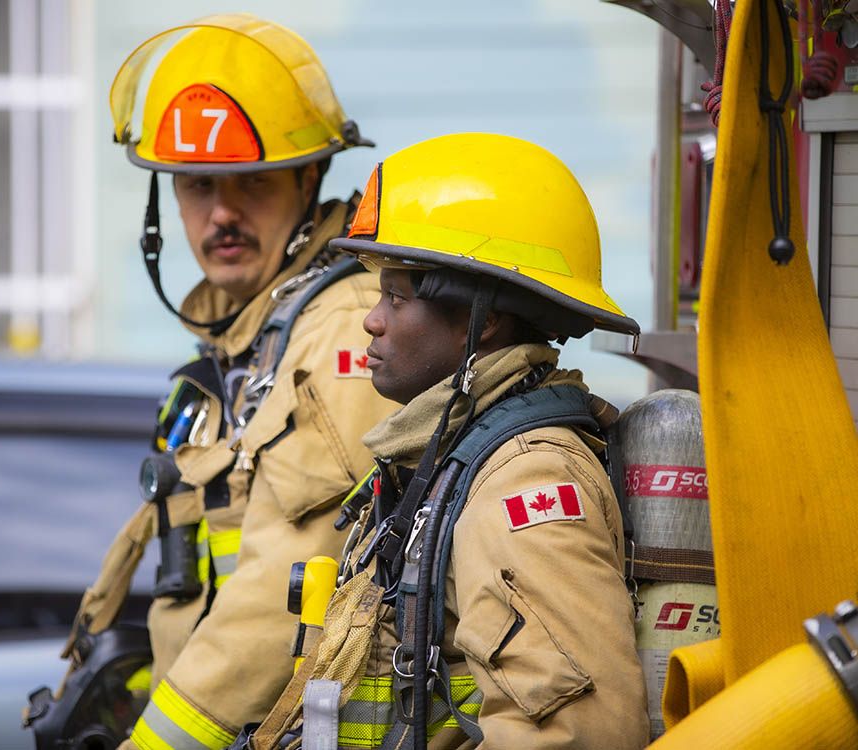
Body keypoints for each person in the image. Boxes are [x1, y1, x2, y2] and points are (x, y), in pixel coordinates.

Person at [55, 14, 398, 750]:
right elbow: (204, 594)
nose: (221, 213)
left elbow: (288, 588)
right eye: (197, 184)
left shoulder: (345, 328)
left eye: (253, 182)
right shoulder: (236, 351)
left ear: (312, 177)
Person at [243, 132, 650, 749]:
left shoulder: (526, 481)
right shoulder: (447, 461)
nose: (371, 319)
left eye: (398, 296)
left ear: (483, 321)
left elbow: (575, 735)